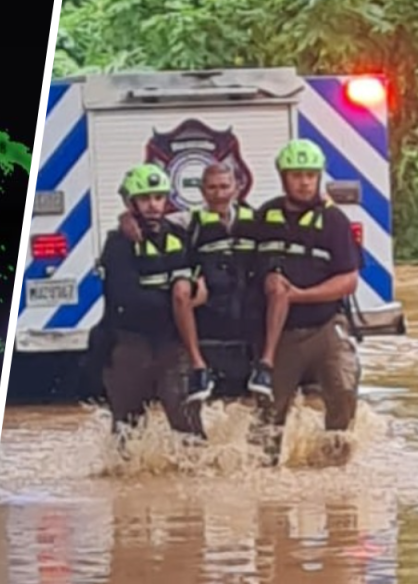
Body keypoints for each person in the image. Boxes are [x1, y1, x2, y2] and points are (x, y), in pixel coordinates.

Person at [247, 139, 360, 455]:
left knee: (343, 391)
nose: (305, 182)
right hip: (281, 335)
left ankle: (335, 472)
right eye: (297, 175)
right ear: (284, 177)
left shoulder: (334, 220)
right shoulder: (264, 216)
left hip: (326, 325)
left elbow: (349, 280)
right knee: (269, 411)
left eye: (311, 175)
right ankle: (262, 479)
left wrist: (301, 295)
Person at [117, 163, 260, 401]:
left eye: (225, 186)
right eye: (212, 188)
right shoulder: (187, 221)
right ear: (202, 191)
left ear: (237, 188)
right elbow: (154, 221)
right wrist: (126, 218)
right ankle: (199, 368)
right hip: (207, 319)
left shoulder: (256, 220)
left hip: (248, 319)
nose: (219, 193)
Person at [97, 163, 208, 443]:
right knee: (126, 433)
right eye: (145, 199)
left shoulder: (180, 235)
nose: (153, 206)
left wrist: (196, 290)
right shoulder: (118, 244)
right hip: (130, 347)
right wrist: (176, 301)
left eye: (158, 197)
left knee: (190, 429)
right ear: (131, 203)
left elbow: (200, 272)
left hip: (173, 346)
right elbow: (126, 298)